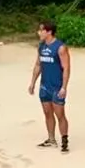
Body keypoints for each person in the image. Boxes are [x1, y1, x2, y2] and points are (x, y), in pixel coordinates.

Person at [28, 19, 70, 152]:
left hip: (57, 87)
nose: (38, 32)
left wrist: (64, 87)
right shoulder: (41, 46)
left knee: (60, 114)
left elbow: (66, 68)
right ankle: (51, 139)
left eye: (41, 30)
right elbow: (38, 65)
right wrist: (33, 82)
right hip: (44, 86)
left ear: (49, 32)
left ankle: (64, 141)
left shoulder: (60, 48)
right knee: (47, 113)